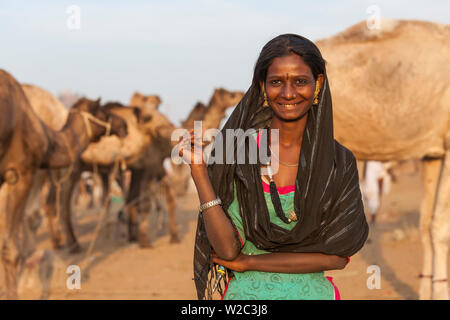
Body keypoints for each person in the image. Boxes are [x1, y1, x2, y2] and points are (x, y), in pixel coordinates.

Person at [179, 34, 369, 300]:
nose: (288, 93)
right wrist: (199, 171)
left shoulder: (338, 161)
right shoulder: (241, 153)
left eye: (300, 82)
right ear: (262, 86)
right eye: (277, 82)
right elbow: (226, 251)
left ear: (318, 85)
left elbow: (338, 257)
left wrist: (250, 263)